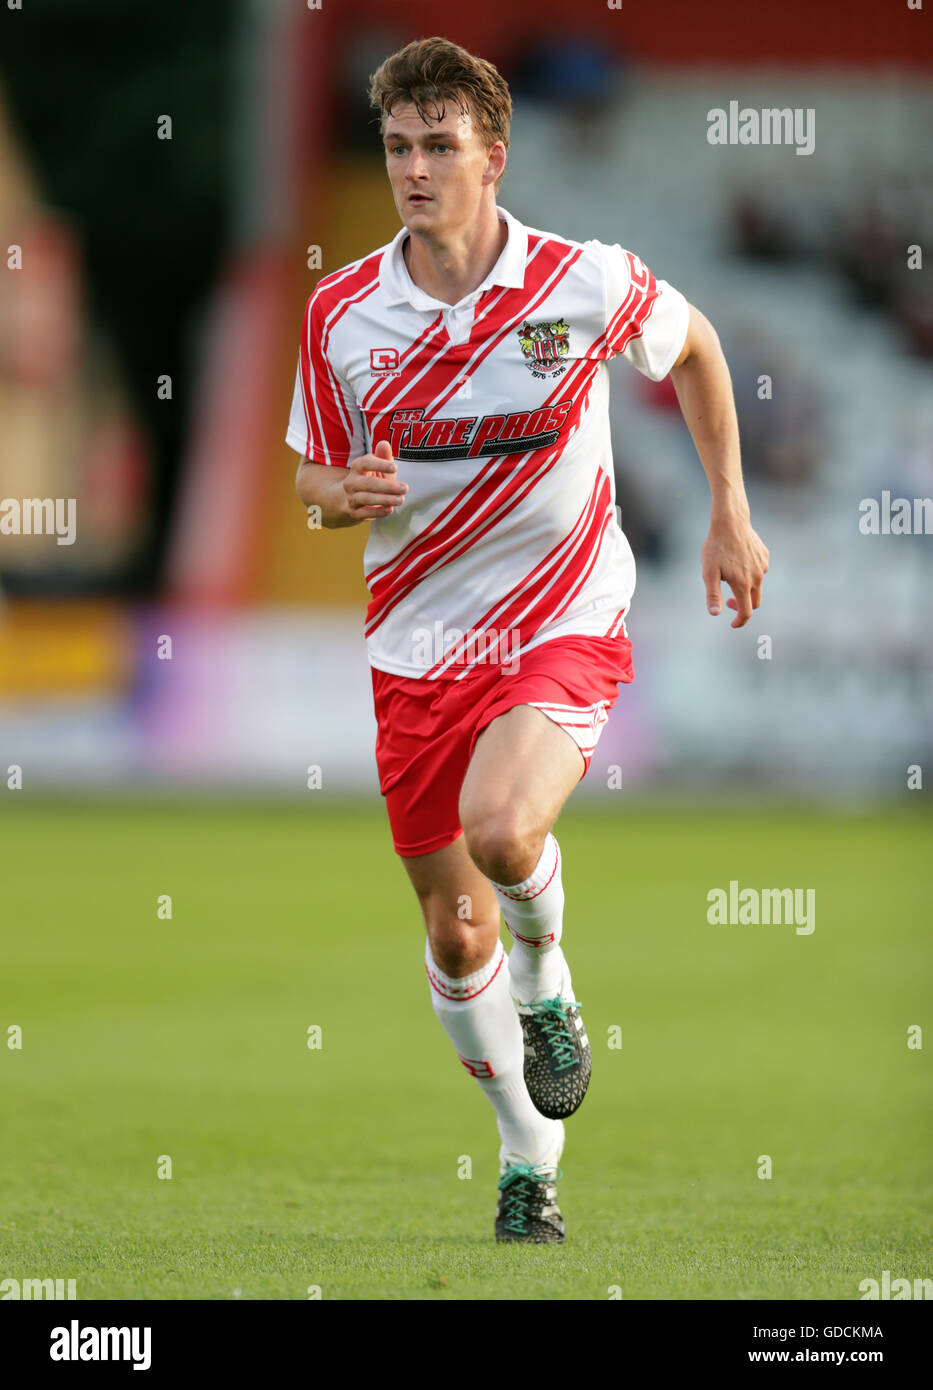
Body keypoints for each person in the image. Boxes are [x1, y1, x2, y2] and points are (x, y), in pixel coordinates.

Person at [286, 36, 769, 1243]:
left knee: (506, 829)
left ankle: (551, 980)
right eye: (398, 146)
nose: (413, 168)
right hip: (417, 643)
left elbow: (700, 347)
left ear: (492, 157)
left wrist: (728, 510)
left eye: (439, 145)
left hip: (563, 611)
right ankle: (525, 1154)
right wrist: (332, 492)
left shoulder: (581, 282)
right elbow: (311, 467)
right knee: (454, 932)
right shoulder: (341, 312)